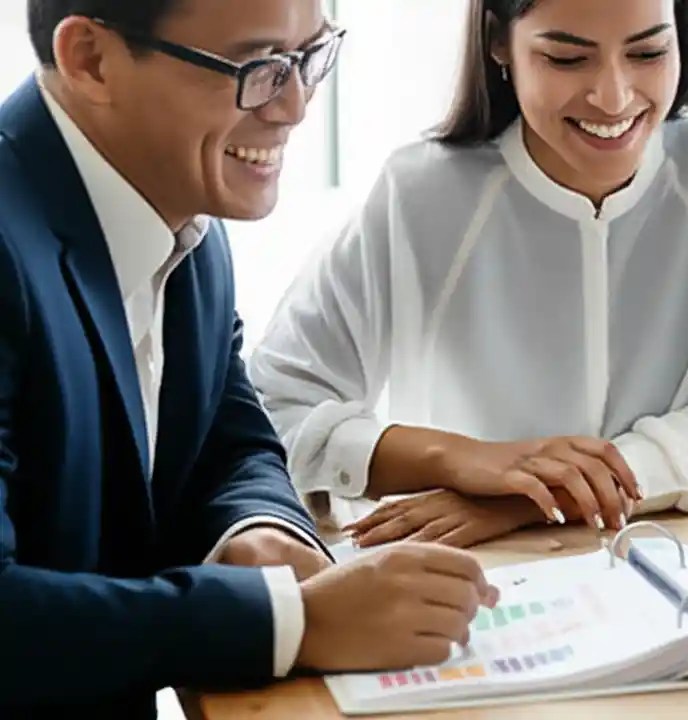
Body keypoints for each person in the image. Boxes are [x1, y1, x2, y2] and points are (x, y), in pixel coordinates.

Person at [0, 1, 497, 716]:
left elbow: (226, 436)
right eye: (258, 68)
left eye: (312, 57)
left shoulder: (177, 196)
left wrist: (258, 533)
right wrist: (293, 623)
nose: (295, 106)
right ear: (91, 60)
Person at [249, 0, 688, 549]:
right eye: (566, 58)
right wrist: (463, 461)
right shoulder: (422, 193)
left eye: (649, 52)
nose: (614, 95)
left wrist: (524, 500)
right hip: (489, 583)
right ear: (498, 43)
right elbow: (270, 409)